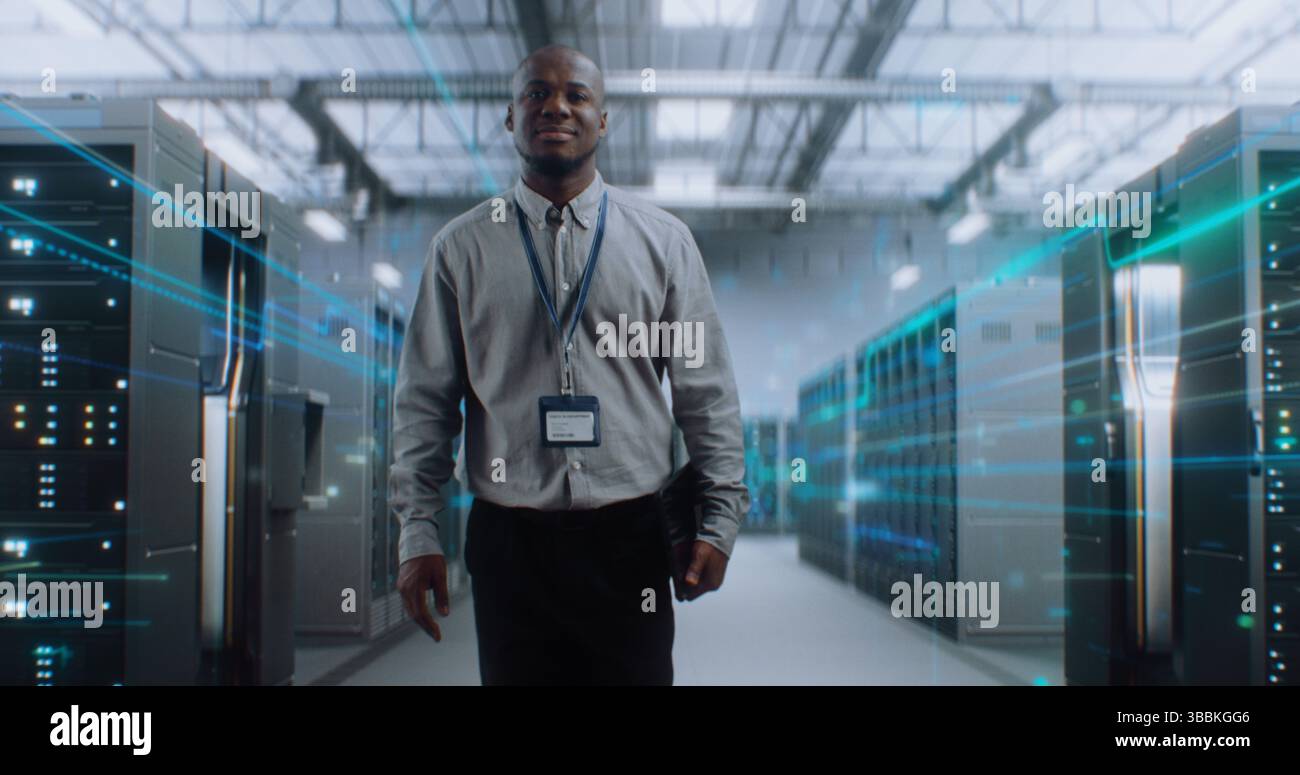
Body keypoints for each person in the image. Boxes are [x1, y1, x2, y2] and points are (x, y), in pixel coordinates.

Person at [388, 44, 749, 686]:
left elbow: (706, 393)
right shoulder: (460, 250)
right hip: (510, 544)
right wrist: (418, 532)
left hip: (631, 540)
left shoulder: (664, 243)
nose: (556, 106)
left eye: (576, 95)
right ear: (511, 117)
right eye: (536, 93)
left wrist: (720, 521)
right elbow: (425, 402)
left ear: (602, 121)